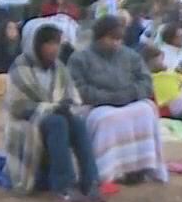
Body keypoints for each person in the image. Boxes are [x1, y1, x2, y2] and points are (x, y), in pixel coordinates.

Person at [4, 24, 102, 202]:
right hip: (28, 120)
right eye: (48, 43)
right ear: (36, 45)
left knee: (77, 123)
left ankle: (91, 182)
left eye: (57, 43)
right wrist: (49, 108)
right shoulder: (20, 68)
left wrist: (66, 107)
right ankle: (64, 186)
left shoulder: (60, 69)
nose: (54, 48)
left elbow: (72, 98)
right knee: (57, 123)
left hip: (58, 115)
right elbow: (17, 106)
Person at [69, 15, 168, 184]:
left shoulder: (131, 56)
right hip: (94, 106)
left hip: (128, 100)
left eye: (119, 39)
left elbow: (145, 81)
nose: (116, 43)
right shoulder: (80, 59)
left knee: (147, 109)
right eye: (111, 38)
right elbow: (79, 89)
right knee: (107, 119)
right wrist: (109, 98)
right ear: (99, 37)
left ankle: (138, 168)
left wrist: (130, 94)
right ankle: (106, 172)